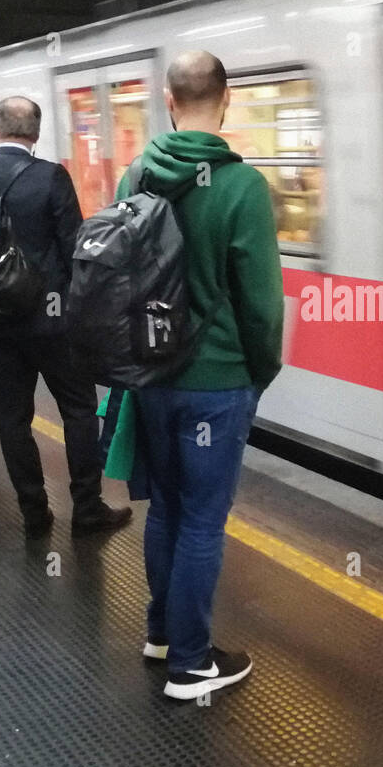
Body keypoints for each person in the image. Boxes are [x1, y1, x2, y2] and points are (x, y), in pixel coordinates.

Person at [129, 51, 283, 701]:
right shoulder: (242, 186)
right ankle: (191, 665)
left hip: (150, 375)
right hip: (215, 383)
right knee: (201, 518)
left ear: (169, 100)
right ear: (226, 101)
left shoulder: (135, 174)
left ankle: (162, 632)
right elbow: (261, 302)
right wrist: (259, 369)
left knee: (165, 507)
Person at [0, 96, 130, 538]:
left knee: (13, 419)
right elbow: (76, 249)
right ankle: (86, 508)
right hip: (52, 321)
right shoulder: (50, 177)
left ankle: (34, 513)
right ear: (35, 134)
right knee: (78, 411)